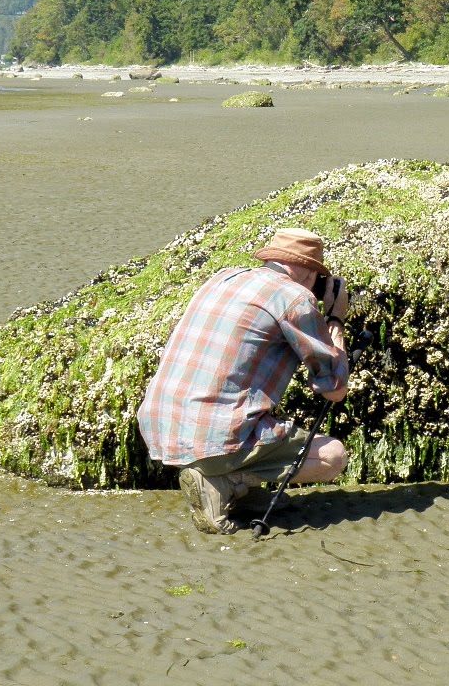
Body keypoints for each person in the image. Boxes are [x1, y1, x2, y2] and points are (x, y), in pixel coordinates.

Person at [137, 227, 351, 534]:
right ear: (307, 271)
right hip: (213, 437)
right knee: (333, 456)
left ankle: (238, 487)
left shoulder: (223, 278)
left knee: (248, 411)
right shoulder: (295, 297)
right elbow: (334, 389)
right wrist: (335, 318)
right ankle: (227, 481)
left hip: (159, 426)